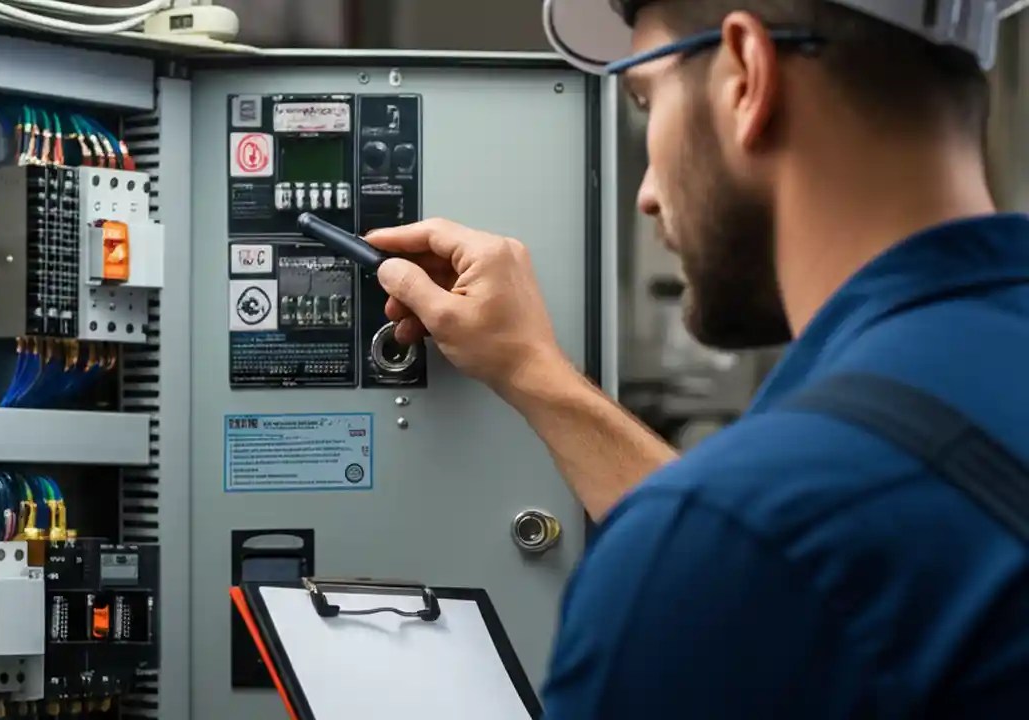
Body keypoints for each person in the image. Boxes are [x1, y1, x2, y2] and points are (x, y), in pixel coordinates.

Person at [365, 0, 1029, 716]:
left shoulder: (731, 544)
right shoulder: (776, 528)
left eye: (647, 100)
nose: (647, 194)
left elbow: (745, 548)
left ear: (746, 76)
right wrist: (531, 371)